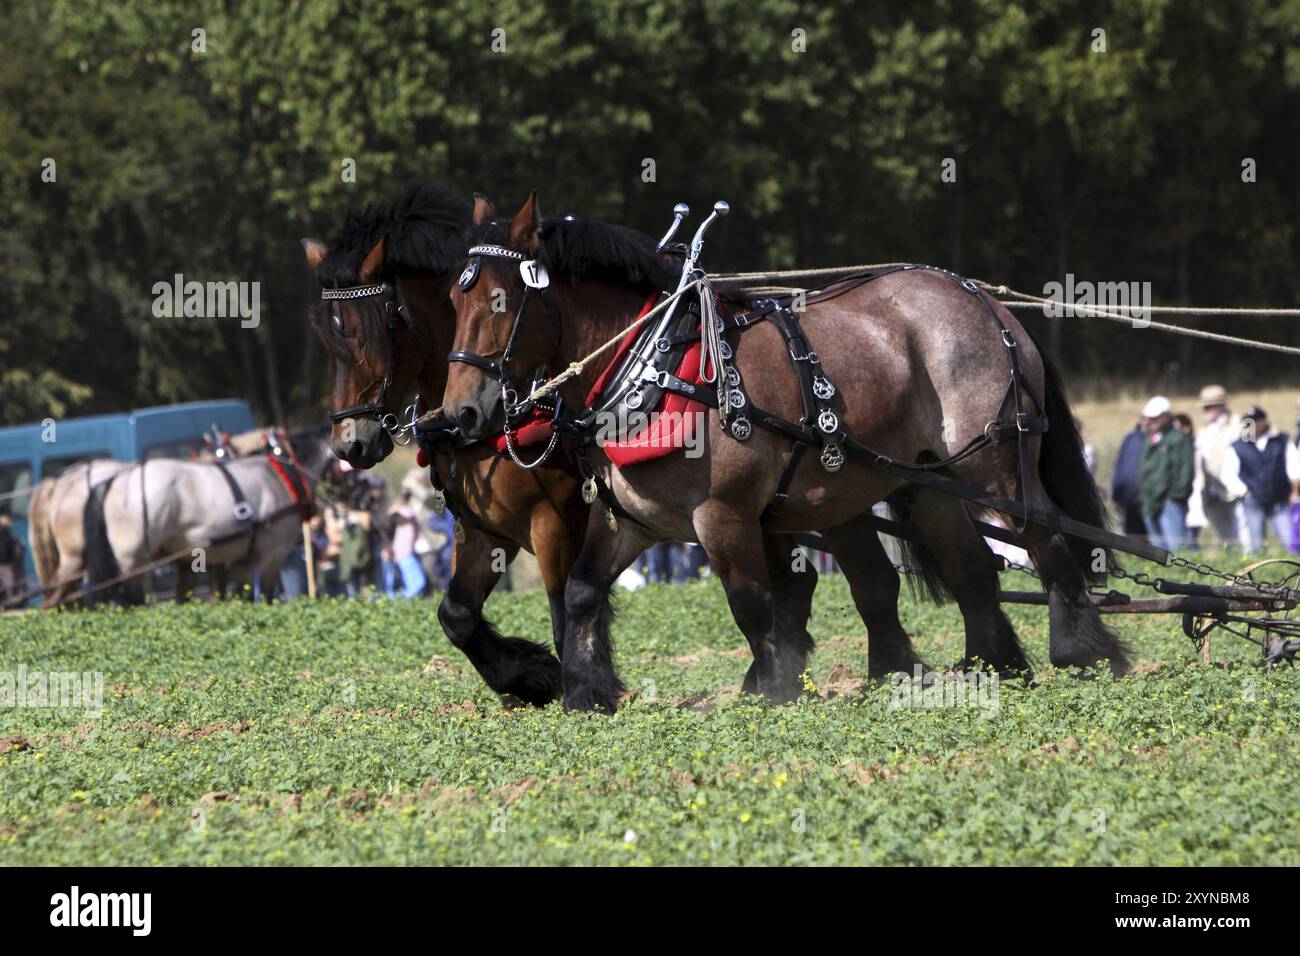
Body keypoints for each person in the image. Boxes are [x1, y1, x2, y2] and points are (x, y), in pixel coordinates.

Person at [1220, 405, 1300, 555]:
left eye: (1253, 421)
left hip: (1279, 499)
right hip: (1253, 500)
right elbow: (1228, 474)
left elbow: (1294, 467)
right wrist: (1244, 491)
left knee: (1291, 542)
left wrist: (1294, 490)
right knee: (1256, 545)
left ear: (1262, 422)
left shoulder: (1280, 440)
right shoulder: (1239, 446)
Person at [1138, 396, 1194, 552]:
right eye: (1149, 417)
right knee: (1157, 553)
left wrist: (1175, 497)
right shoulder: (1150, 439)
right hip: (1150, 502)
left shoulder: (1179, 438)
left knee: (1177, 553)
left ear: (1167, 416)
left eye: (1155, 417)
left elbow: (1186, 471)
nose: (1150, 421)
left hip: (1170, 503)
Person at [1193, 385, 1242, 550]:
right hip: (1210, 492)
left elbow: (1249, 453)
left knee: (1242, 535)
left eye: (1211, 406)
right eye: (1205, 406)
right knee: (1226, 538)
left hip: (1233, 491)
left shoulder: (1241, 423)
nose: (1206, 410)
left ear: (1222, 405)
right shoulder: (1203, 431)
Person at [1111, 420, 1148, 537]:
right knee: (1133, 539)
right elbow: (1119, 467)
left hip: (1151, 501)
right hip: (1129, 500)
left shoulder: (1159, 438)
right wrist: (1117, 496)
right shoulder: (1130, 438)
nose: (1147, 422)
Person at [388, 491, 428, 598]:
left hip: (406, 554)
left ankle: (403, 599)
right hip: (403, 555)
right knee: (418, 582)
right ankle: (404, 599)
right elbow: (393, 512)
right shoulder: (401, 520)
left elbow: (407, 513)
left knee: (413, 582)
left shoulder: (407, 519)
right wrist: (398, 506)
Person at [1172, 413, 1202, 549]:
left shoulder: (1195, 446)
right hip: (1182, 498)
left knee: (1190, 538)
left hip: (1193, 497)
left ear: (1187, 428)